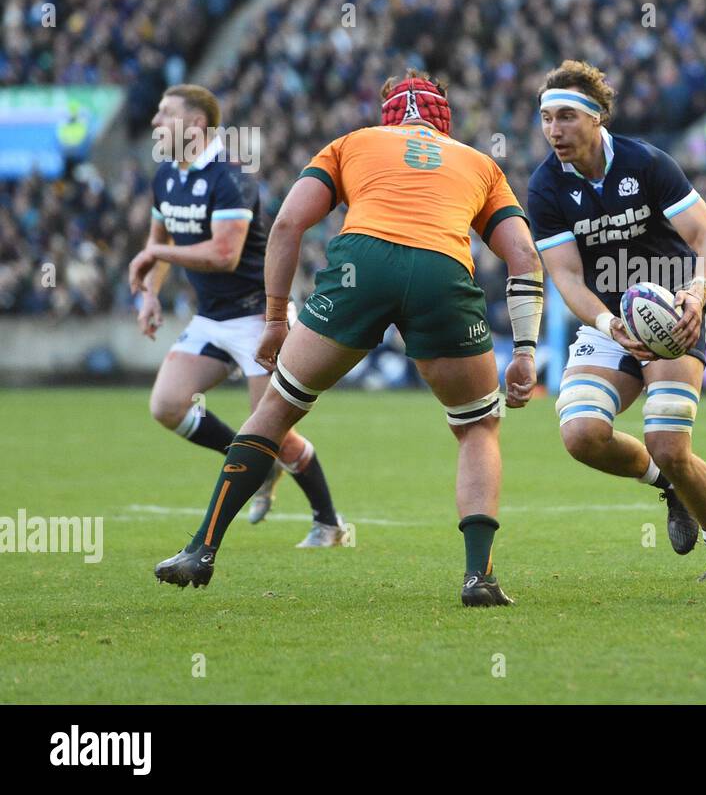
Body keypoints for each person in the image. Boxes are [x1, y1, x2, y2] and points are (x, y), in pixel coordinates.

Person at [152, 71, 543, 607]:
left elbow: (289, 223)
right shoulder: (480, 163)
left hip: (363, 265)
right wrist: (524, 351)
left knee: (276, 409)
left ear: (388, 115)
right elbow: (523, 258)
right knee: (478, 426)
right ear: (444, 118)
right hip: (441, 274)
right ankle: (480, 578)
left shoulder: (352, 143)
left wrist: (274, 319)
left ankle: (202, 549)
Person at [527, 60, 706, 581]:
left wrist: (697, 293)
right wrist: (609, 326)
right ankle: (668, 487)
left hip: (672, 316)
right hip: (608, 320)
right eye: (546, 119)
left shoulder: (646, 162)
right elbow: (567, 279)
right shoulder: (544, 188)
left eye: (566, 117)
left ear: (598, 117)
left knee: (670, 445)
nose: (554, 131)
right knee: (581, 434)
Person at [128, 84, 342, 547]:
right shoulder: (166, 175)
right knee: (166, 405)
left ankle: (329, 523)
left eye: (165, 114)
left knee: (278, 434)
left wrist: (153, 253)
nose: (155, 122)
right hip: (211, 319)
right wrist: (149, 295)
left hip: (259, 317)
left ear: (196, 124)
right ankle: (252, 461)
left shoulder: (232, 175)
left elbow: (224, 254)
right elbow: (160, 245)